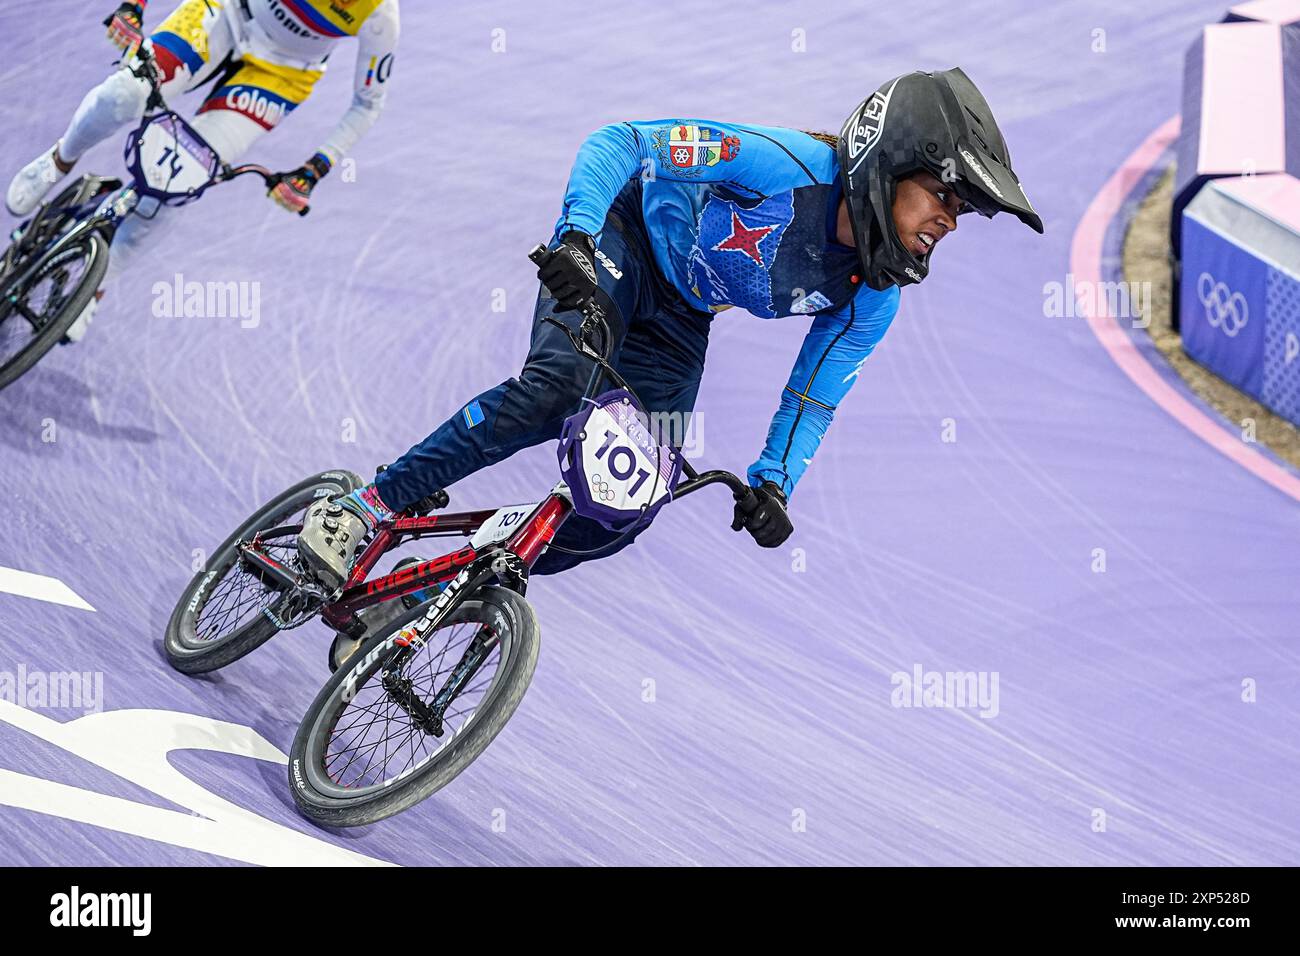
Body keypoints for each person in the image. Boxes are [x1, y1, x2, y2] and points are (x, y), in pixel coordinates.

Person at [297, 67, 1044, 590]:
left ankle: (444, 588)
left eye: (964, 212)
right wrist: (576, 238)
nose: (949, 220)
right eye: (943, 194)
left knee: (632, 502)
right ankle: (367, 507)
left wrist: (775, 485)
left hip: (681, 321)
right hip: (620, 243)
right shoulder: (783, 165)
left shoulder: (873, 295)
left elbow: (810, 399)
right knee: (556, 389)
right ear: (889, 167)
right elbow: (621, 140)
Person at [4, 0, 400, 341]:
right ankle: (57, 161)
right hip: (224, 14)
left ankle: (97, 287)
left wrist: (315, 168)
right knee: (123, 94)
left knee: (181, 181)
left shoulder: (380, 15)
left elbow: (368, 104)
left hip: (281, 76)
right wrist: (134, 6)